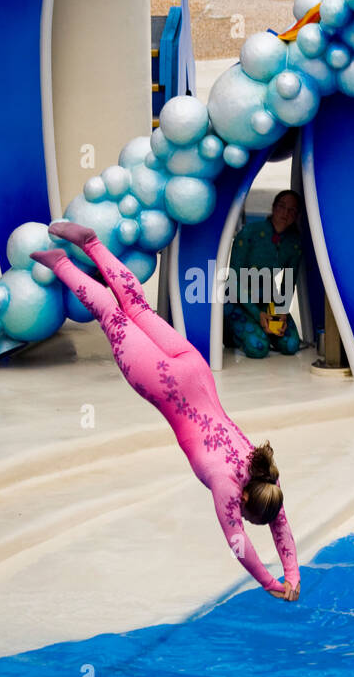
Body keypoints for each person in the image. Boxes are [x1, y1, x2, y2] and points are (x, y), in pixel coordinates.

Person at [31, 221, 301, 601]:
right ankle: (61, 263)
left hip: (194, 369)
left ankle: (91, 242)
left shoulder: (262, 469)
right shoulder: (227, 485)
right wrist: (271, 583)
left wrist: (294, 573)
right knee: (111, 314)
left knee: (136, 306)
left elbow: (280, 520)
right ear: (243, 502)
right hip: (163, 384)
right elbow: (238, 542)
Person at [224, 189, 303, 359]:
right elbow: (233, 280)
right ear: (273, 208)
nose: (286, 213)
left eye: (292, 210)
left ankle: (262, 330)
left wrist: (282, 312)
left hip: (268, 300)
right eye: (282, 206)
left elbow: (288, 284)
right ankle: (231, 332)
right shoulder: (249, 233)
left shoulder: (294, 243)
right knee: (258, 348)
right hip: (238, 300)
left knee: (291, 345)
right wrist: (257, 315)